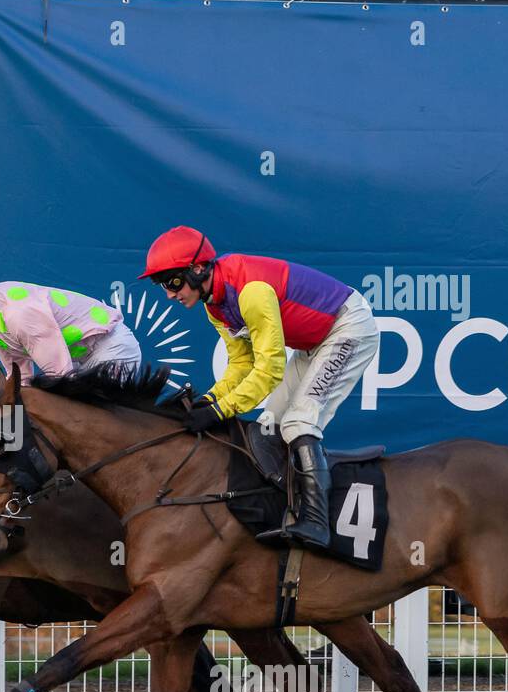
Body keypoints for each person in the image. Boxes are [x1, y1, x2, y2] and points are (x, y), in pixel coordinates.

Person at [140, 226, 379, 549]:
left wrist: (219, 411)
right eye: (163, 285)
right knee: (270, 424)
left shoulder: (250, 291)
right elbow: (241, 365)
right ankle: (287, 510)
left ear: (198, 269)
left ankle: (317, 523)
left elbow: (268, 371)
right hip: (315, 342)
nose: (170, 293)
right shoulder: (214, 306)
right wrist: (208, 399)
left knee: (299, 422)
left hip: (349, 329)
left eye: (173, 282)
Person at [0, 249, 142, 384]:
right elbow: (19, 378)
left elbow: (61, 376)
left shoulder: (17, 314)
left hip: (112, 348)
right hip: (86, 358)